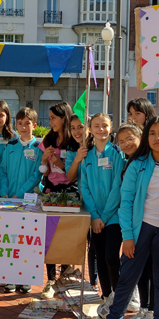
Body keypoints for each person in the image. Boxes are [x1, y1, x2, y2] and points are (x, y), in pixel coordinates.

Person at [93, 117, 159, 319]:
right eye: (152, 133)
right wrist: (128, 236)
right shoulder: (137, 164)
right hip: (142, 229)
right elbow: (127, 203)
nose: (157, 137)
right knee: (127, 278)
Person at [79, 113, 125, 319]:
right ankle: (106, 297)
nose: (101, 129)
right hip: (94, 218)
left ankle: (119, 297)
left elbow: (117, 186)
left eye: (105, 125)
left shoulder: (117, 153)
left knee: (111, 257)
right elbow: (84, 186)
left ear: (111, 127)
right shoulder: (86, 155)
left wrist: (104, 216)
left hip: (113, 217)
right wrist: (94, 216)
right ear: (90, 129)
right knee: (98, 256)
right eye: (96, 126)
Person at [0, 107, 42, 293]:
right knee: (9, 240)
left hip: (28, 201)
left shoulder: (38, 149)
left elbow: (36, 176)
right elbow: (2, 171)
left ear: (35, 125)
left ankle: (25, 277)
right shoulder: (11, 146)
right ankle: (9, 276)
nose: (23, 127)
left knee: (27, 240)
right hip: (9, 200)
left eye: (27, 123)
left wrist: (21, 193)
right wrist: (5, 192)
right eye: (20, 123)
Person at [39, 102, 76, 299]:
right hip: (51, 190)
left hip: (70, 191)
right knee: (50, 234)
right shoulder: (48, 139)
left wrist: (59, 163)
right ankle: (51, 280)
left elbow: (75, 173)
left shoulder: (74, 141)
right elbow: (42, 170)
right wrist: (45, 160)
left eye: (54, 117)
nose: (50, 121)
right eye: (50, 117)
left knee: (67, 234)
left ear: (64, 118)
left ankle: (65, 277)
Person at [116, 122, 145, 314]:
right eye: (121, 141)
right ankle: (139, 305)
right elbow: (125, 199)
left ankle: (149, 311)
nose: (126, 144)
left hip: (149, 225)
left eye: (130, 139)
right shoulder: (130, 163)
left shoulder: (146, 162)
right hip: (133, 226)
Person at [64, 114, 95, 287]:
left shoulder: (98, 147)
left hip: (100, 202)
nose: (77, 131)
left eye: (81, 126)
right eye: (73, 127)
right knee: (85, 242)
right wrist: (76, 158)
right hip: (83, 202)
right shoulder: (71, 149)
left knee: (97, 246)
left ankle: (96, 282)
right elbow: (69, 176)